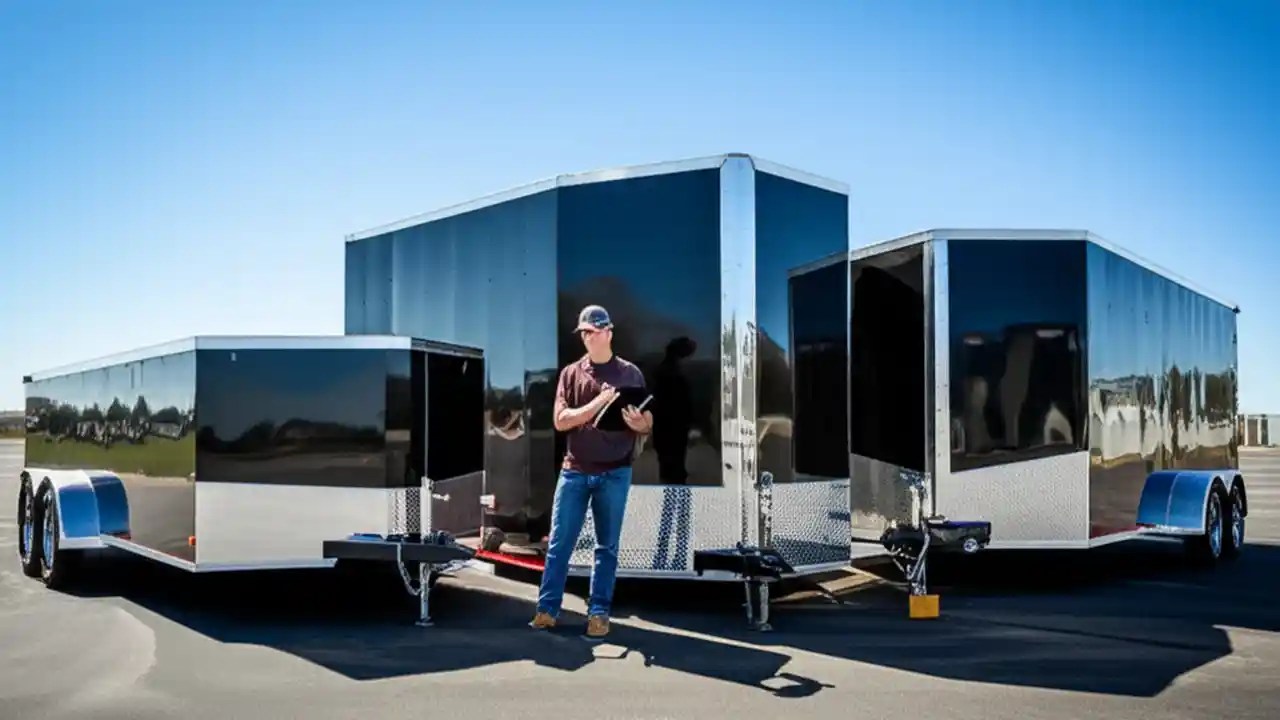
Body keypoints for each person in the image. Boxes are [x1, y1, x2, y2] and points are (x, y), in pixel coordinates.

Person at [530, 304, 652, 639]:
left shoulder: (630, 374)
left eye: (593, 331)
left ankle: (599, 613)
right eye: (583, 332)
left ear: (608, 332)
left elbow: (647, 419)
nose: (587, 337)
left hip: (615, 472)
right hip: (575, 471)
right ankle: (547, 609)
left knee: (606, 547)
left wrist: (641, 424)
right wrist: (598, 403)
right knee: (559, 543)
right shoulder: (571, 374)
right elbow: (560, 420)